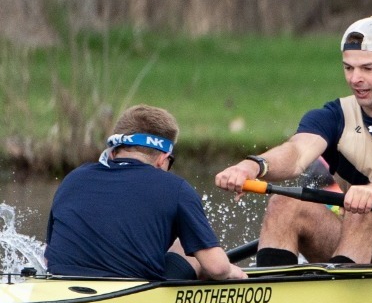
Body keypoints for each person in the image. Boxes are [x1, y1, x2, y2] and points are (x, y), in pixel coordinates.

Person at [214, 16, 372, 265]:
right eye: (348, 67)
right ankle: (275, 293)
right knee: (284, 203)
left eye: (368, 68)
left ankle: (341, 289)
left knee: (368, 205)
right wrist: (253, 166)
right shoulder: (334, 116)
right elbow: (296, 153)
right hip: (356, 233)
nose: (355, 78)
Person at [44, 105, 245, 281]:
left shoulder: (73, 179)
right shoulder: (176, 188)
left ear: (113, 152)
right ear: (163, 158)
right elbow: (217, 268)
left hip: (58, 288)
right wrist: (232, 272)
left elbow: (48, 256)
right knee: (187, 248)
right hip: (129, 297)